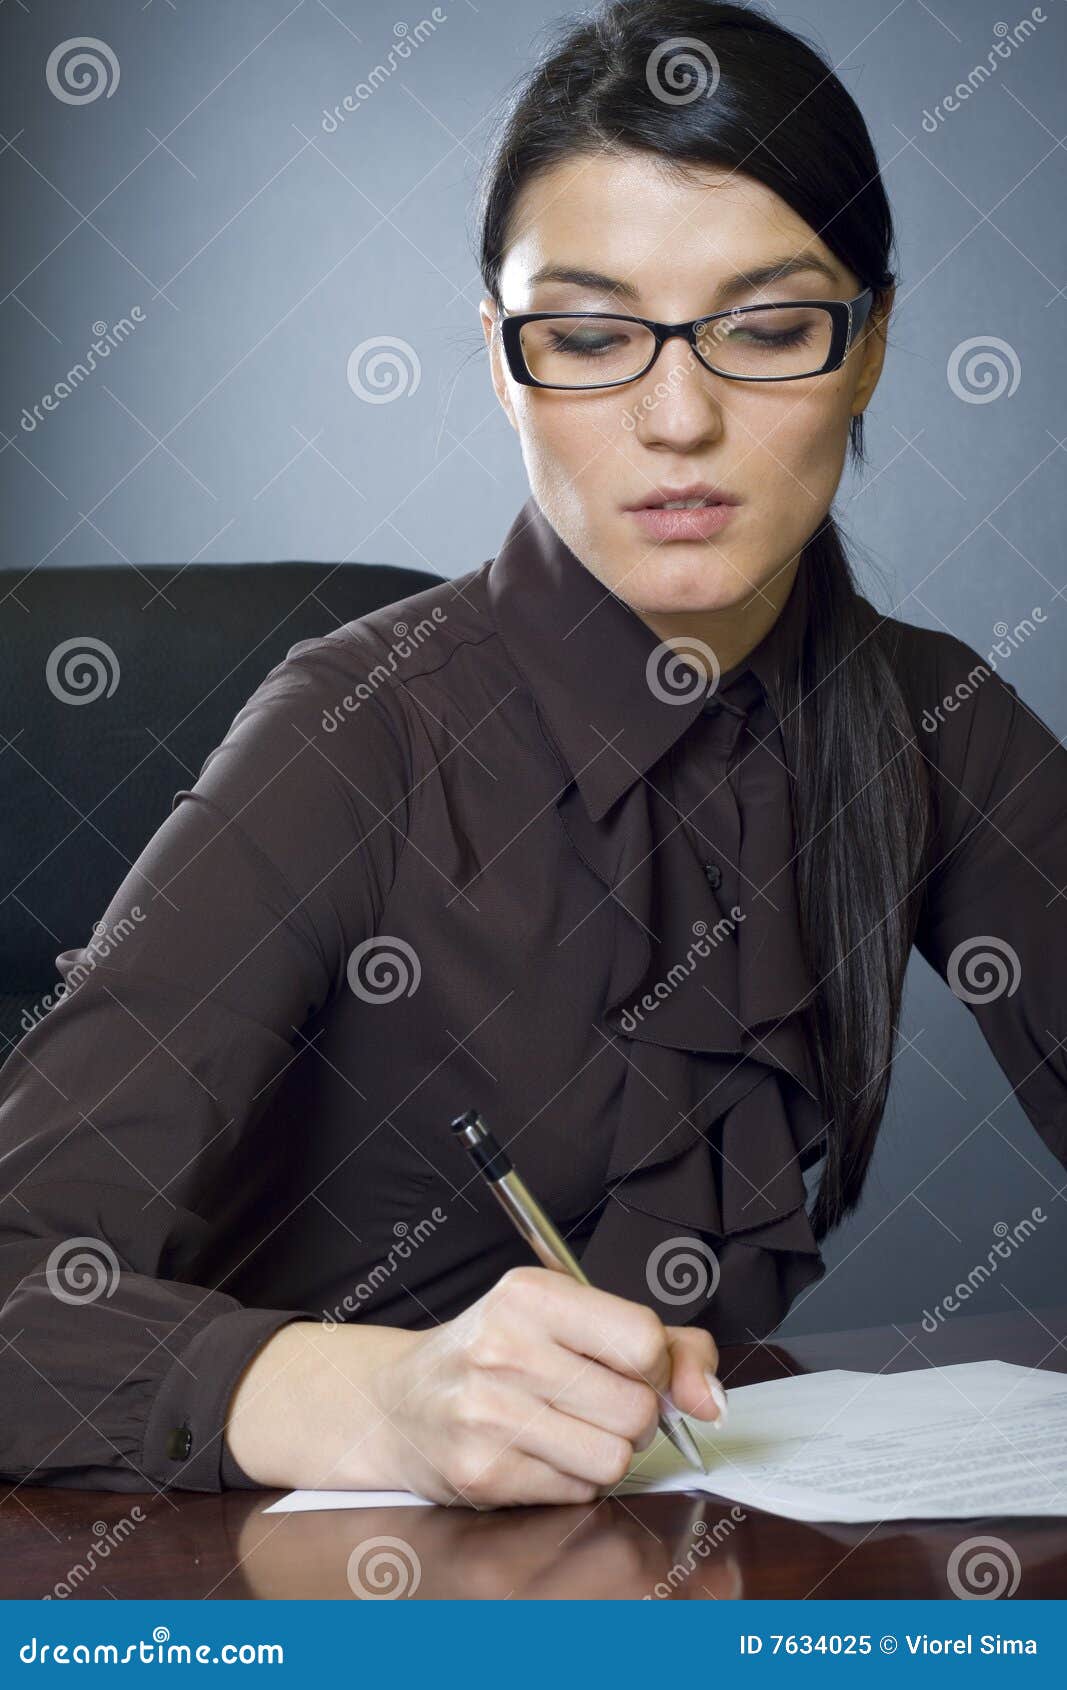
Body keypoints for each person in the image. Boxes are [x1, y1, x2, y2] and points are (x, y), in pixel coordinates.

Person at [1, 0, 1064, 1509]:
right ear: (505, 362)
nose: (680, 419)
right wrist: (367, 1399)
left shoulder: (935, 721)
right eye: (588, 338)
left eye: (768, 329)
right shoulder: (355, 730)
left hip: (686, 1574)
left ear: (870, 347)